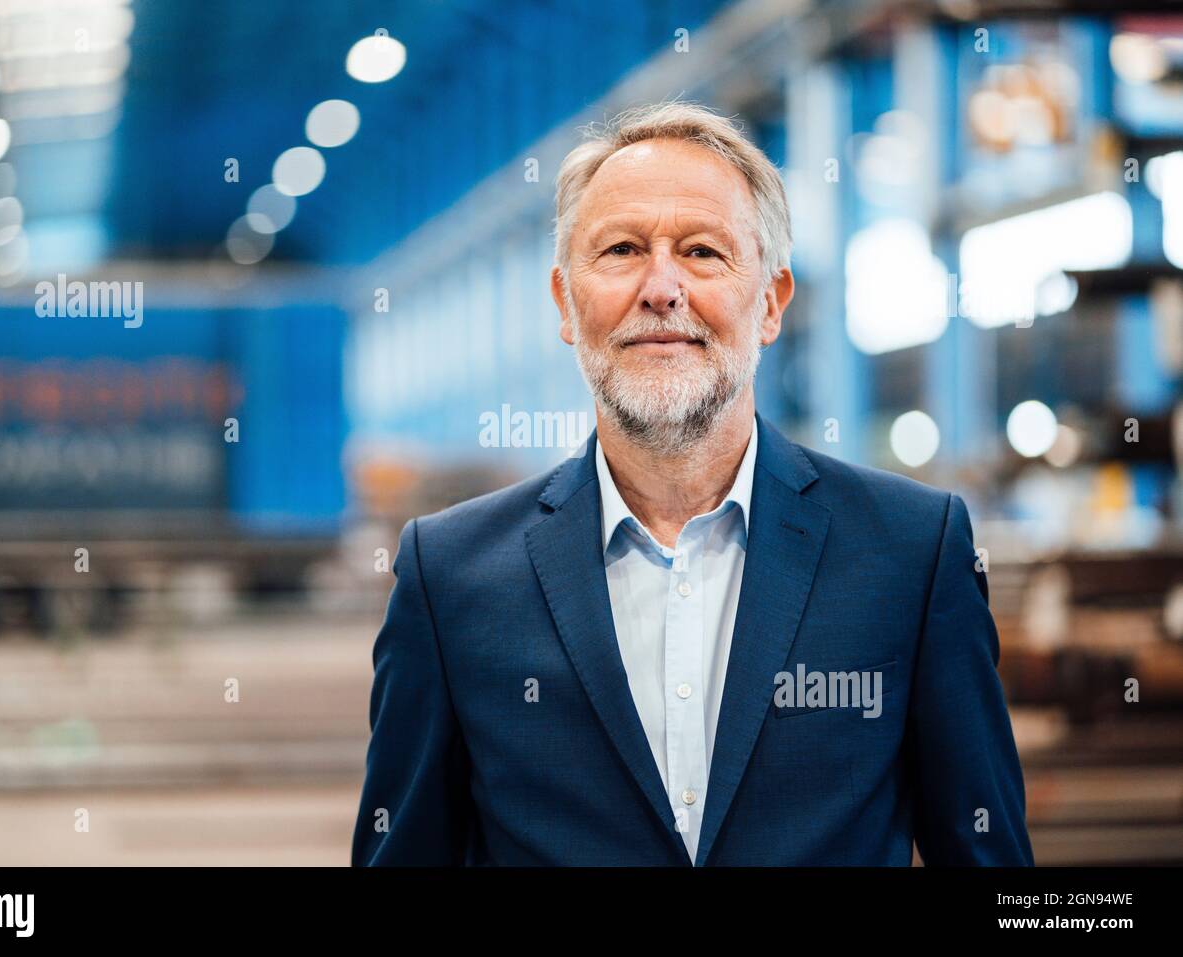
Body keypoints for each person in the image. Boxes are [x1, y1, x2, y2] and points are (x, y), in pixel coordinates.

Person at [352, 101, 1033, 866]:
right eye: (621, 249)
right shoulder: (449, 577)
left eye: (704, 252)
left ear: (770, 302)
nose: (662, 288)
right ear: (565, 303)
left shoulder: (910, 552)